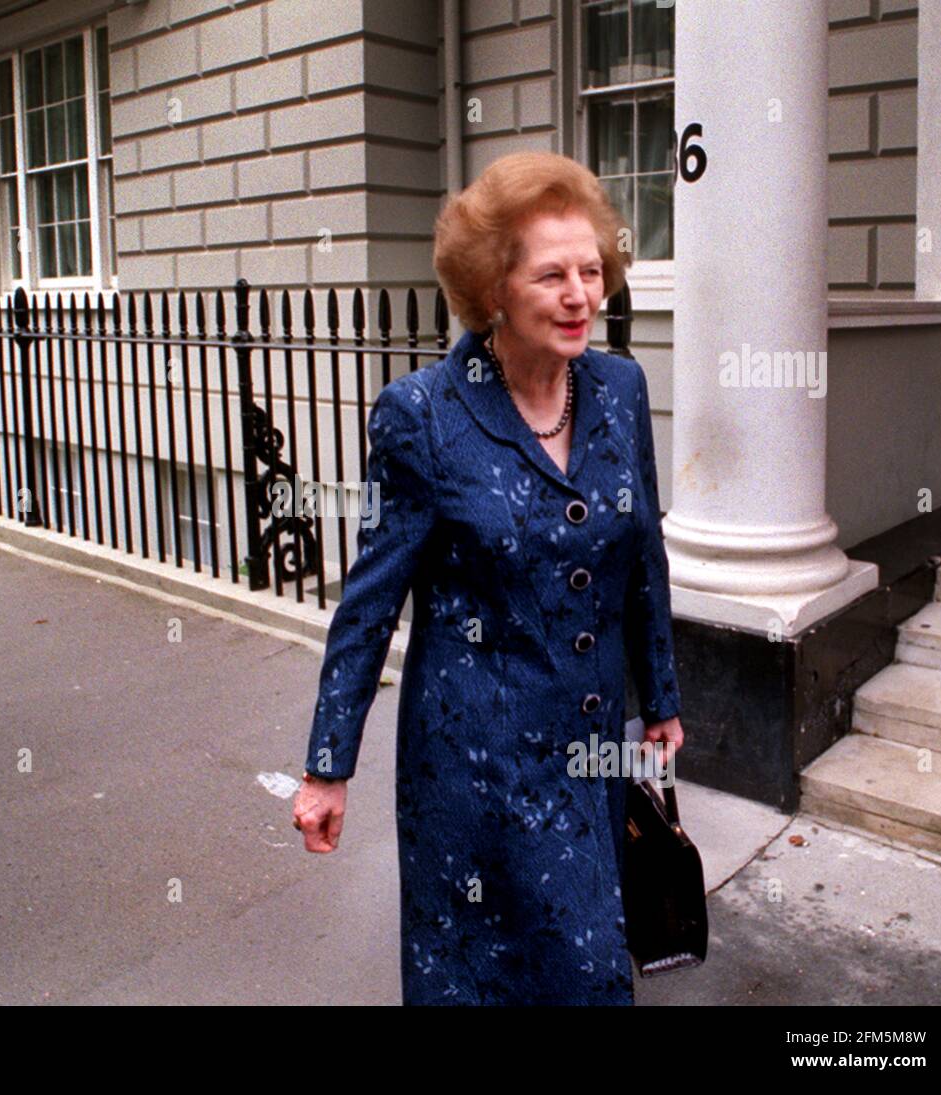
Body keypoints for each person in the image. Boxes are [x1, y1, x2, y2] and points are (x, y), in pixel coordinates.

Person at [292, 152, 686, 1004]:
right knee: (481, 976)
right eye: (552, 275)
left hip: (589, 749)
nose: (581, 295)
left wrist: (660, 697)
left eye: (591, 270)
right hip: (472, 765)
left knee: (588, 968)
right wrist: (328, 765)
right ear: (494, 288)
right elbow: (369, 603)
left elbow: (642, 555)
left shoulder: (620, 389)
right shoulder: (423, 415)